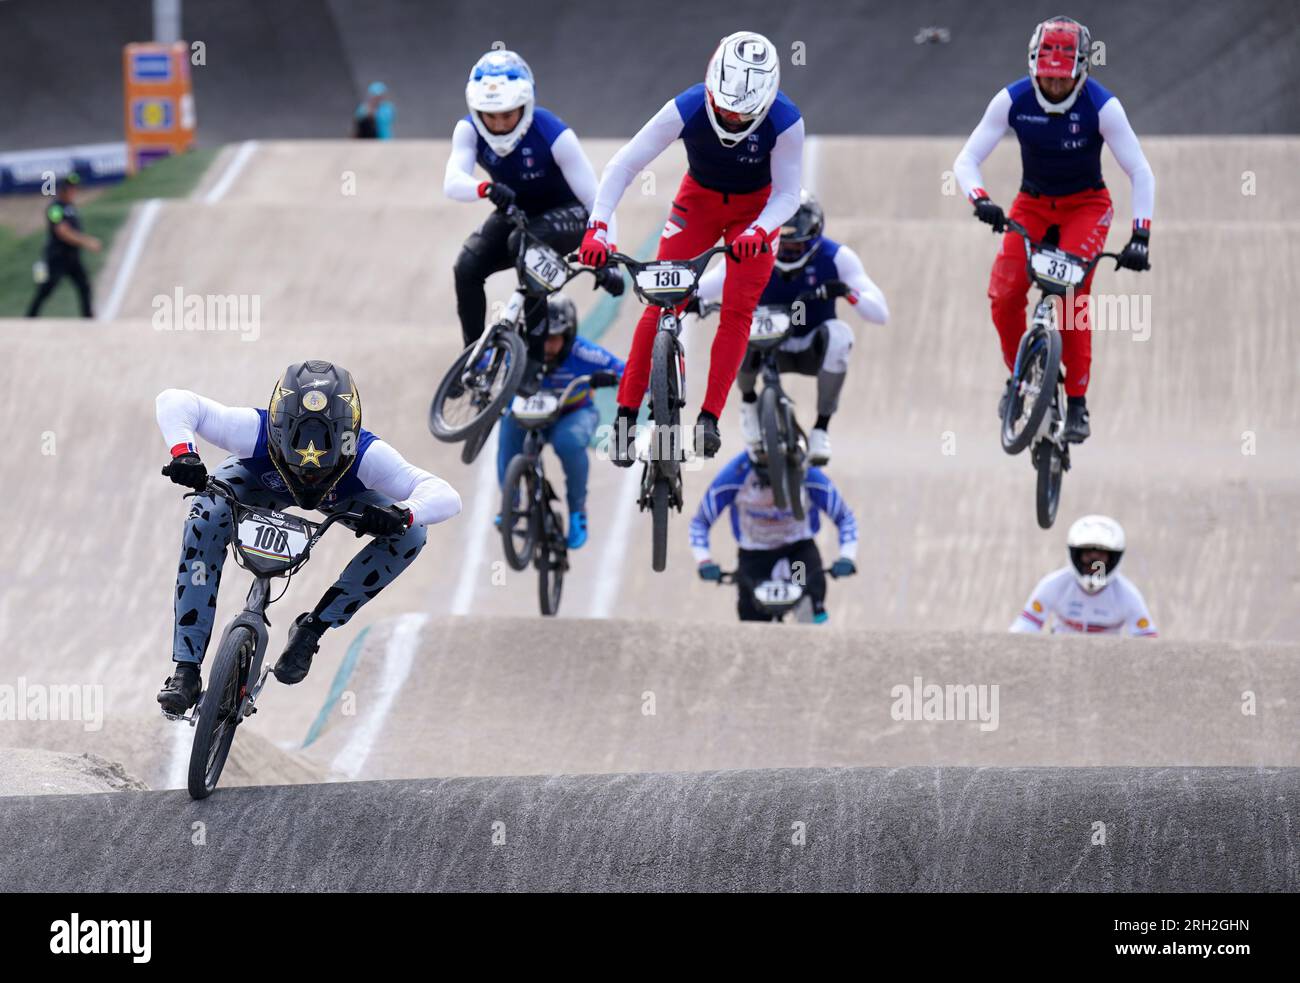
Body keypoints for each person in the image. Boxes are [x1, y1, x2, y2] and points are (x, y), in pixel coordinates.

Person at [154, 361, 462, 713]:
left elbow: (446, 495)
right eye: (295, 462)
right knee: (206, 517)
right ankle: (186, 670)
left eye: (322, 466)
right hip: (258, 483)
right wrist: (184, 454)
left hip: (342, 497)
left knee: (411, 535)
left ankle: (313, 628)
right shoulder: (253, 430)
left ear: (347, 445)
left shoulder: (368, 456)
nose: (308, 477)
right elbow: (175, 400)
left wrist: (402, 513)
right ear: (276, 433)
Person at [578, 31, 805, 462]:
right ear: (710, 88)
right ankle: (626, 415)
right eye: (723, 108)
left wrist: (759, 231)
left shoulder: (785, 120)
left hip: (756, 212)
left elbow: (789, 195)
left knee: (738, 310)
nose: (732, 119)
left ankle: (709, 418)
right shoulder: (686, 106)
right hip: (697, 201)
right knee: (662, 303)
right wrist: (599, 227)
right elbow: (625, 163)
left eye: (743, 115)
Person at [952, 15, 1154, 443]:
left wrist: (1140, 235)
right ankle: (1019, 379)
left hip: (1087, 206)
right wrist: (981, 199)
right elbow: (966, 159)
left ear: (1082, 72)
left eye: (1064, 80)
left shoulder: (1102, 106)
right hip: (1032, 205)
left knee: (1072, 301)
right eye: (1047, 78)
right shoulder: (1012, 100)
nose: (1055, 87)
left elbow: (1140, 171)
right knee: (1004, 294)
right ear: (1033, 68)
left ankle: (1078, 402)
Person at [444, 49, 622, 378]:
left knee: (523, 248)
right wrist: (484, 189)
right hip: (519, 214)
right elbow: (452, 182)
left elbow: (597, 198)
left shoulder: (553, 133)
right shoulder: (467, 130)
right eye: (489, 115)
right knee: (466, 267)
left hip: (569, 215)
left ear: (525, 107)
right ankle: (473, 361)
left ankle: (535, 359)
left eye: (507, 115)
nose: (497, 124)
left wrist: (608, 255)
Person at [695, 189, 889, 464]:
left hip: (811, 346)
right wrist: (689, 299)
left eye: (794, 247)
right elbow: (708, 286)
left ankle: (821, 428)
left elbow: (880, 313)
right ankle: (748, 402)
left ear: (813, 239)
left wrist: (848, 291)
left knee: (840, 334)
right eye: (782, 245)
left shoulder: (837, 258)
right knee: (735, 326)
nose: (787, 252)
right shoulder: (751, 251)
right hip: (765, 345)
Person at [496, 293, 624, 549]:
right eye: (542, 338)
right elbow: (490, 366)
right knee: (508, 429)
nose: (547, 346)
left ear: (568, 334)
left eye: (554, 339)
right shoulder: (519, 350)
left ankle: (577, 513)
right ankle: (510, 504)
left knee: (568, 442)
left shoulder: (585, 352)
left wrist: (638, 386)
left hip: (573, 413)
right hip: (529, 414)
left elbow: (626, 372)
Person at [690, 447, 857, 622]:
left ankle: (813, 633)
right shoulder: (735, 475)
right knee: (752, 619)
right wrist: (704, 561)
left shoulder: (807, 473)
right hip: (755, 557)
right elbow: (701, 521)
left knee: (808, 601)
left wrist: (847, 557)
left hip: (797, 556)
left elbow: (844, 517)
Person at [1010, 514, 1157, 636]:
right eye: (1087, 554)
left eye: (1100, 555)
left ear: (1114, 558)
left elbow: (1148, 640)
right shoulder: (1052, 585)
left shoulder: (1128, 595)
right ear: (1075, 555)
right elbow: (1025, 627)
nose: (1094, 563)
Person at [26, 173, 101, 318]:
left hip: (73, 257)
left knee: (84, 285)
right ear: (63, 190)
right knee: (46, 288)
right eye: (71, 189)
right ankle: (30, 317)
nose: (74, 192)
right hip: (57, 257)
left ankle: (88, 318)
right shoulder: (54, 208)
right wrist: (87, 242)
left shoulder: (71, 207)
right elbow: (62, 231)